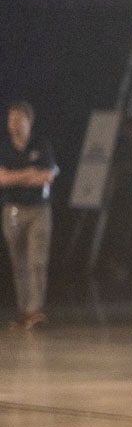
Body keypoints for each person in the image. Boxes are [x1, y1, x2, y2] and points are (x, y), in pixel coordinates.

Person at [2, 101, 57, 330]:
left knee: (37, 260)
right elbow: (2, 179)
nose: (13, 124)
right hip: (13, 211)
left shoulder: (40, 145)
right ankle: (23, 311)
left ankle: (35, 311)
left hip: (39, 210)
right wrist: (27, 174)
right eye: (10, 119)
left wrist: (16, 176)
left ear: (29, 121)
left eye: (18, 119)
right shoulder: (4, 148)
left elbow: (46, 176)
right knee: (19, 261)